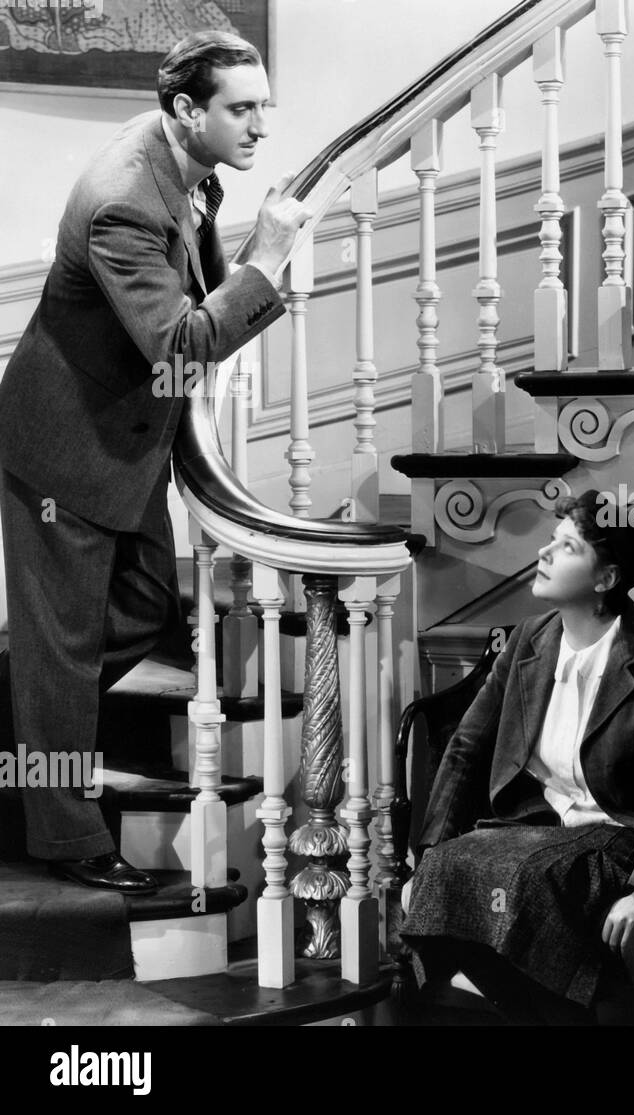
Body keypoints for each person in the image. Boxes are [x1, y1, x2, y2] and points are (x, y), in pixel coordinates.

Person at [0, 31, 309, 892]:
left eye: (262, 107)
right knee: (64, 655)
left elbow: (192, 294)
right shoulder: (122, 202)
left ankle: (32, 707)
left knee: (141, 608)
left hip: (124, 442)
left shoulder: (183, 163)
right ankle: (69, 838)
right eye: (241, 110)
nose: (260, 127)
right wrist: (268, 258)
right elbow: (181, 340)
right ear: (185, 109)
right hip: (65, 450)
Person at [401, 491, 634, 1024]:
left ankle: (541, 1004)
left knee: (529, 879)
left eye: (566, 547)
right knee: (445, 869)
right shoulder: (530, 637)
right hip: (536, 824)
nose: (544, 553)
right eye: (551, 540)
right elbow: (465, 748)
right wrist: (427, 852)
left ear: (606, 578)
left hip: (618, 831)